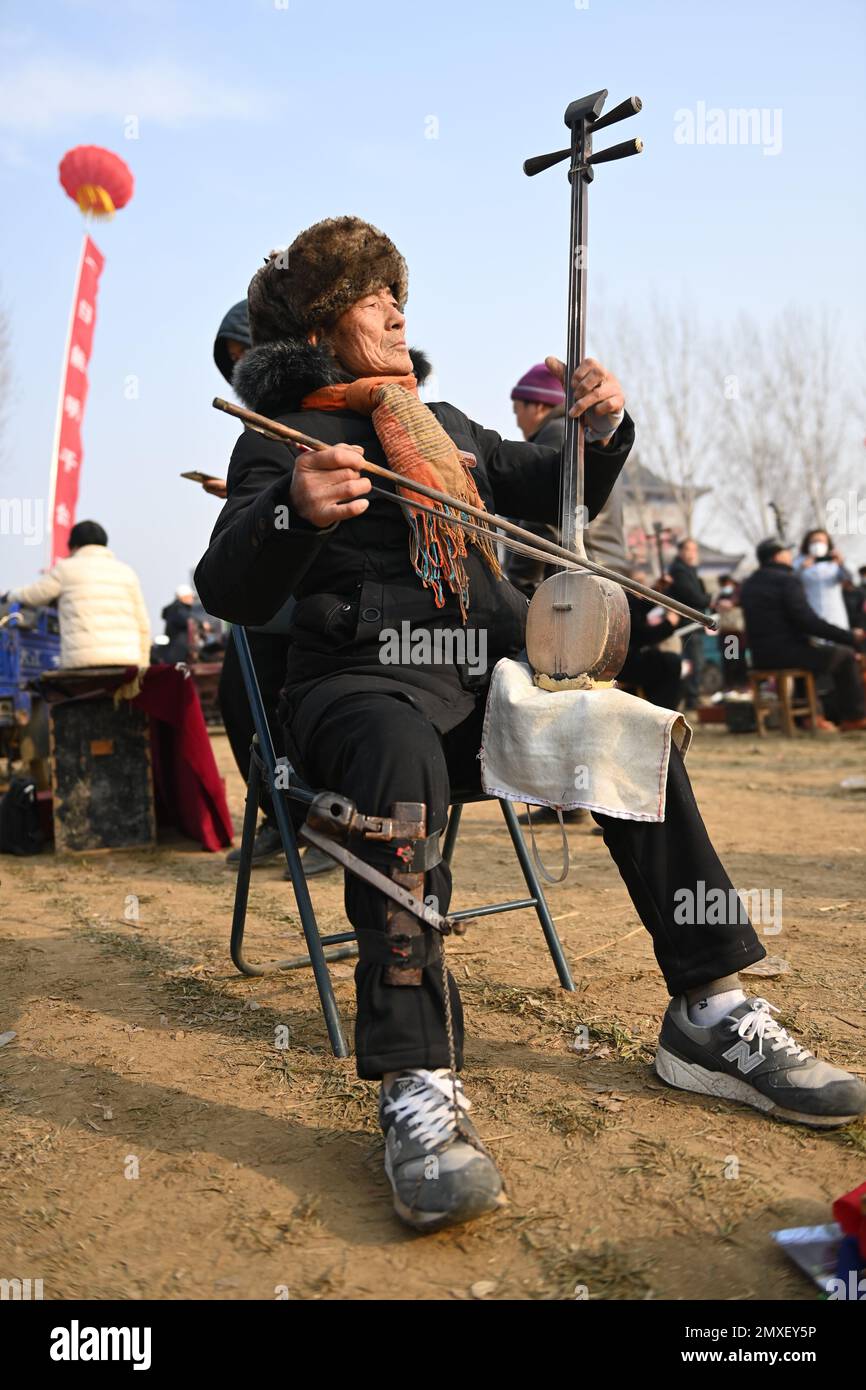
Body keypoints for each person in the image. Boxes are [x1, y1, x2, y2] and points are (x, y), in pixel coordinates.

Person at [195, 216, 866, 1233]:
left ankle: (708, 1013)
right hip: (359, 687)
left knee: (618, 722)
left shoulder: (446, 424)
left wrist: (594, 429)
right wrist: (291, 507)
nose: (395, 307)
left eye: (395, 291)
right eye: (372, 294)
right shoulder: (277, 441)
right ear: (324, 323)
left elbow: (554, 488)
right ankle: (417, 1085)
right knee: (392, 755)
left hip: (484, 678)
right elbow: (226, 584)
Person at [503, 360, 627, 598]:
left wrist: (520, 585)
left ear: (538, 406)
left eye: (517, 410)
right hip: (600, 573)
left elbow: (546, 513)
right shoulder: (578, 433)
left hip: (574, 582)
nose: (517, 421)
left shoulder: (557, 434)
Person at [740, 538, 866, 731]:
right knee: (845, 656)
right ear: (778, 556)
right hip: (786, 653)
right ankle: (853, 717)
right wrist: (848, 636)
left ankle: (811, 716)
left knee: (811, 656)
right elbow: (807, 622)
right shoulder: (787, 581)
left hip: (760, 656)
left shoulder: (749, 583)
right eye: (787, 552)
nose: (791, 556)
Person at [7, 520, 150, 670]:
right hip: (127, 660)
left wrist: (10, 595)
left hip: (83, 661)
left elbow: (34, 595)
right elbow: (143, 623)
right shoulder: (127, 572)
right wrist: (143, 664)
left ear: (73, 546)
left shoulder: (66, 569)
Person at [617, 567, 683, 708]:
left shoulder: (627, 598)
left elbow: (640, 605)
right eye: (639, 582)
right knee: (671, 663)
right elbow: (641, 636)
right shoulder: (624, 599)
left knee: (659, 660)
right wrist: (669, 624)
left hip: (626, 659)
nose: (644, 586)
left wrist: (657, 589)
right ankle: (664, 711)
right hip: (623, 664)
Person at [666, 538, 709, 709]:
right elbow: (693, 596)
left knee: (694, 663)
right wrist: (708, 599)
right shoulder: (679, 571)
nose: (692, 554)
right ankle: (691, 699)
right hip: (686, 625)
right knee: (692, 663)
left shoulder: (689, 570)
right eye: (689, 550)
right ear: (681, 551)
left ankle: (691, 697)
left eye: (695, 550)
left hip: (692, 624)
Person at [793, 528, 853, 630]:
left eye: (821, 541)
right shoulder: (798, 562)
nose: (818, 544)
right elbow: (791, 582)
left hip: (835, 613)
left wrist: (842, 564)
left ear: (828, 544)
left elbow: (849, 582)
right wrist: (802, 568)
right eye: (814, 541)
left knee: (838, 638)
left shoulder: (835, 563)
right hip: (811, 610)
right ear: (807, 544)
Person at [160, 585, 195, 664]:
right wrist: (201, 624)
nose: (192, 599)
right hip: (178, 652)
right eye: (190, 596)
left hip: (175, 650)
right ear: (183, 597)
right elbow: (185, 621)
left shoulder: (176, 609)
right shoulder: (177, 609)